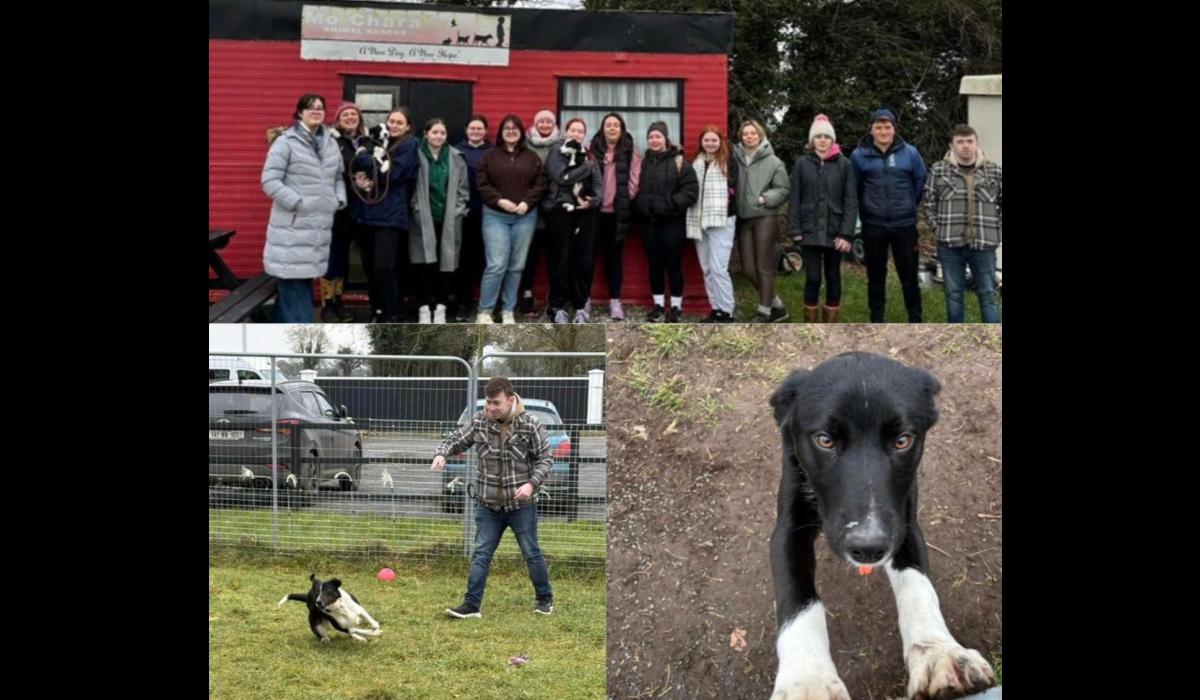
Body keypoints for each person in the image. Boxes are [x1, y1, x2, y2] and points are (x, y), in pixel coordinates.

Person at [432, 377, 555, 619]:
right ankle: (471, 605)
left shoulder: (530, 424)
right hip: (488, 506)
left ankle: (545, 599)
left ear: (511, 400)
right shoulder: (479, 422)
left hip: (521, 505)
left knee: (531, 553)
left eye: (496, 403)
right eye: (488, 403)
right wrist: (441, 454)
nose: (491, 408)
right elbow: (455, 439)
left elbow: (546, 459)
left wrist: (531, 484)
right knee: (481, 554)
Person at [260, 93, 346, 323]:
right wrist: (297, 202)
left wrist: (337, 199)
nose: (316, 111)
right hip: (292, 230)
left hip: (318, 231)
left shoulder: (330, 142)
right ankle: (301, 350)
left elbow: (338, 176)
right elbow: (269, 181)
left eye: (320, 107)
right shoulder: (285, 142)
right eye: (310, 107)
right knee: (296, 295)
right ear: (299, 112)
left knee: (301, 285)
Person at [850, 107, 928, 322]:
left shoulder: (910, 153)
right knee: (875, 276)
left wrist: (909, 204)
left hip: (904, 225)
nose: (883, 131)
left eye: (887, 127)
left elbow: (920, 181)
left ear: (894, 129)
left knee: (909, 276)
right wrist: (865, 208)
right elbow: (854, 187)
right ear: (871, 130)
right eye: (878, 127)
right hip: (873, 224)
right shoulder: (859, 155)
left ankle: (915, 318)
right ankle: (877, 318)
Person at [922, 124, 1002, 323]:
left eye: (969, 141)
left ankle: (994, 342)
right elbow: (929, 202)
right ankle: (957, 337)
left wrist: (997, 232)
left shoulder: (994, 171)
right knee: (954, 295)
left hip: (984, 246)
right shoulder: (939, 170)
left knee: (988, 295)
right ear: (952, 145)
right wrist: (937, 229)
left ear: (977, 144)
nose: (965, 146)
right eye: (960, 142)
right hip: (950, 246)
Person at [348, 107, 421, 322]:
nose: (394, 125)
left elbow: (395, 173)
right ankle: (377, 310)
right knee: (370, 268)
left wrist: (369, 169)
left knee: (385, 267)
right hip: (366, 214)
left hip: (390, 216)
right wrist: (367, 173)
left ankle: (394, 311)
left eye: (400, 122)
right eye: (391, 121)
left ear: (408, 126)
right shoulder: (376, 143)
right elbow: (358, 161)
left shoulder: (409, 145)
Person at [475, 114, 548, 324]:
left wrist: (527, 202)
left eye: (515, 128)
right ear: (501, 132)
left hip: (524, 217)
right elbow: (482, 183)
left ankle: (508, 310)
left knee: (516, 265)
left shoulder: (531, 157)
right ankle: (485, 311)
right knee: (496, 265)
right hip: (495, 216)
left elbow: (540, 183)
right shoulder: (490, 156)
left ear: (520, 132)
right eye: (506, 128)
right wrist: (499, 201)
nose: (511, 131)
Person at [786, 114, 858, 323]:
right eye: (818, 136)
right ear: (812, 140)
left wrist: (846, 234)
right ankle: (810, 322)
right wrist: (795, 229)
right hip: (809, 230)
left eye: (827, 136)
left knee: (833, 276)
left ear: (832, 140)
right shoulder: (802, 164)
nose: (823, 140)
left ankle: (831, 323)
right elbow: (795, 197)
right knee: (813, 277)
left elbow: (850, 200)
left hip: (835, 231)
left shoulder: (844, 165)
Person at [634, 121, 699, 323]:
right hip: (648, 222)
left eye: (658, 136)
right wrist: (641, 205)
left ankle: (677, 307)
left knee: (673, 264)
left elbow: (690, 192)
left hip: (672, 222)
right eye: (651, 137)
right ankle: (659, 305)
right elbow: (634, 188)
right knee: (654, 264)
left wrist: (669, 204)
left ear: (665, 139)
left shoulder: (680, 163)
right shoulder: (642, 163)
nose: (654, 140)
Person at [542, 117, 604, 323]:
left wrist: (592, 201)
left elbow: (598, 185)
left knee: (583, 260)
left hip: (584, 214)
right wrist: (586, 166)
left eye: (580, 131)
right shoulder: (557, 151)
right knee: (561, 259)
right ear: (565, 132)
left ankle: (580, 305)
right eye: (573, 130)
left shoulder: (589, 154)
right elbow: (562, 177)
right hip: (560, 211)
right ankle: (558, 306)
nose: (576, 134)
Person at [410, 118, 470, 323]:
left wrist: (457, 211)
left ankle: (442, 308)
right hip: (422, 218)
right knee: (423, 263)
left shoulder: (456, 158)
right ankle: (424, 307)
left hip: (449, 220)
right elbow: (410, 187)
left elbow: (463, 191)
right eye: (434, 132)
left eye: (442, 133)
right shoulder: (416, 155)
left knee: (447, 262)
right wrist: (416, 209)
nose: (438, 136)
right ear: (426, 134)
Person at [733, 119, 791, 322]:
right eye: (745, 134)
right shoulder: (736, 157)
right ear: (741, 137)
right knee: (748, 268)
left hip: (765, 216)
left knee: (763, 266)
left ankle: (764, 311)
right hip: (743, 218)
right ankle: (777, 305)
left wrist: (764, 198)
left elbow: (783, 189)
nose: (749, 136)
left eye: (753, 133)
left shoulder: (773, 161)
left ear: (760, 136)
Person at [588, 113, 642, 321]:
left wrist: (625, 197)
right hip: (593, 213)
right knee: (588, 259)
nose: (612, 128)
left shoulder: (630, 151)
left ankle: (615, 301)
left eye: (616, 125)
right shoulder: (592, 150)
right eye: (608, 125)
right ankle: (584, 300)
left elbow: (635, 178)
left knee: (614, 259)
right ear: (602, 128)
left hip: (617, 214)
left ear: (622, 129)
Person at [686, 124, 739, 323]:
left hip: (722, 219)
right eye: (706, 140)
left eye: (714, 140)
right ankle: (715, 308)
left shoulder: (729, 161)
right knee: (707, 268)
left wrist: (722, 201)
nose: (710, 143)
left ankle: (727, 311)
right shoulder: (696, 163)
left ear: (720, 141)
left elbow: (734, 188)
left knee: (719, 268)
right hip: (699, 218)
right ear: (701, 142)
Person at [320, 101, 365, 322]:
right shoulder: (331, 141)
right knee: (332, 256)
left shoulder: (363, 142)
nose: (350, 117)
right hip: (335, 207)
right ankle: (327, 305)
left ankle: (340, 301)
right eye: (345, 114)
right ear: (338, 119)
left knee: (345, 258)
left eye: (353, 114)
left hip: (357, 208)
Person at [517, 109, 560, 317]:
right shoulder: (524, 144)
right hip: (530, 207)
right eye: (541, 121)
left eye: (548, 122)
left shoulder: (562, 144)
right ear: (535, 124)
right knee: (529, 254)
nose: (544, 125)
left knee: (555, 255)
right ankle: (527, 294)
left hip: (554, 208)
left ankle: (555, 296)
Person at [453, 115, 493, 321]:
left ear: (485, 131)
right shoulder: (456, 151)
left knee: (488, 259)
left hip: (489, 210)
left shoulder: (493, 151)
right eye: (473, 128)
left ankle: (486, 305)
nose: (476, 131)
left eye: (480, 128)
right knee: (464, 259)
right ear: (466, 130)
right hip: (464, 210)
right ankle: (463, 303)